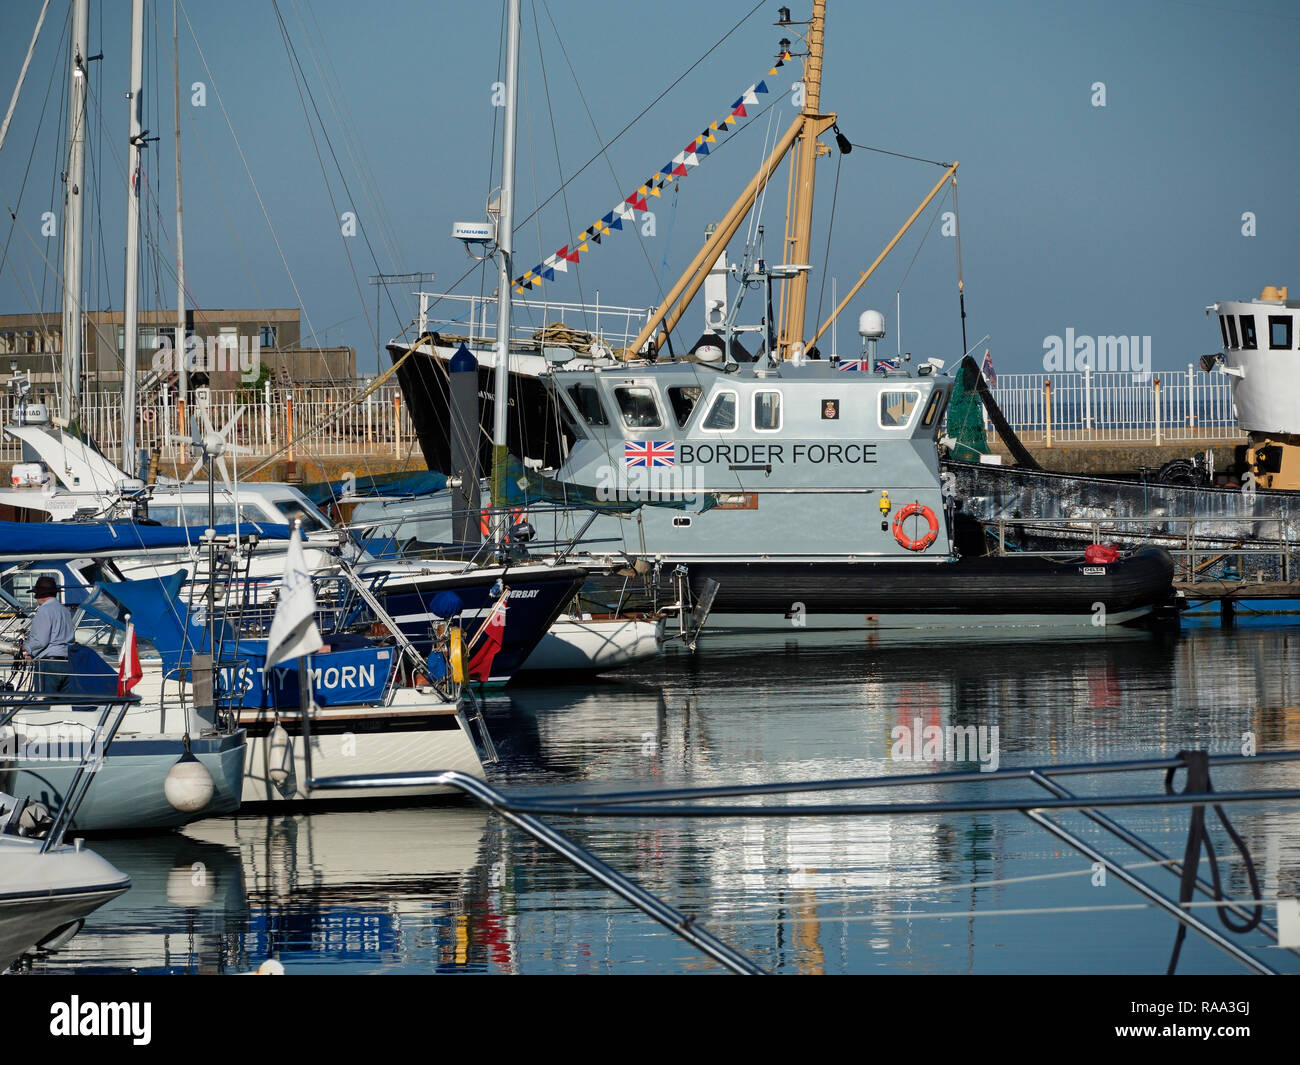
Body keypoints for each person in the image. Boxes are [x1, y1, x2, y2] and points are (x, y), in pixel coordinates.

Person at [23, 574, 75, 693]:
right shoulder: (65, 611)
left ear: (39, 595)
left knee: (45, 703)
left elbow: (41, 641)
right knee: (64, 706)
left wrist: (26, 647)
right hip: (68, 662)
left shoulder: (44, 610)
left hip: (49, 664)